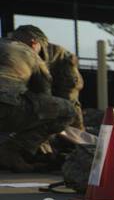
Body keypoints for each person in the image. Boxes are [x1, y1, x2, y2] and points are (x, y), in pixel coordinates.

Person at [0, 25, 77, 172]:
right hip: (5, 105)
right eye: (41, 50)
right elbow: (44, 95)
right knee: (67, 111)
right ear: (34, 43)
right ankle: (10, 151)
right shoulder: (30, 53)